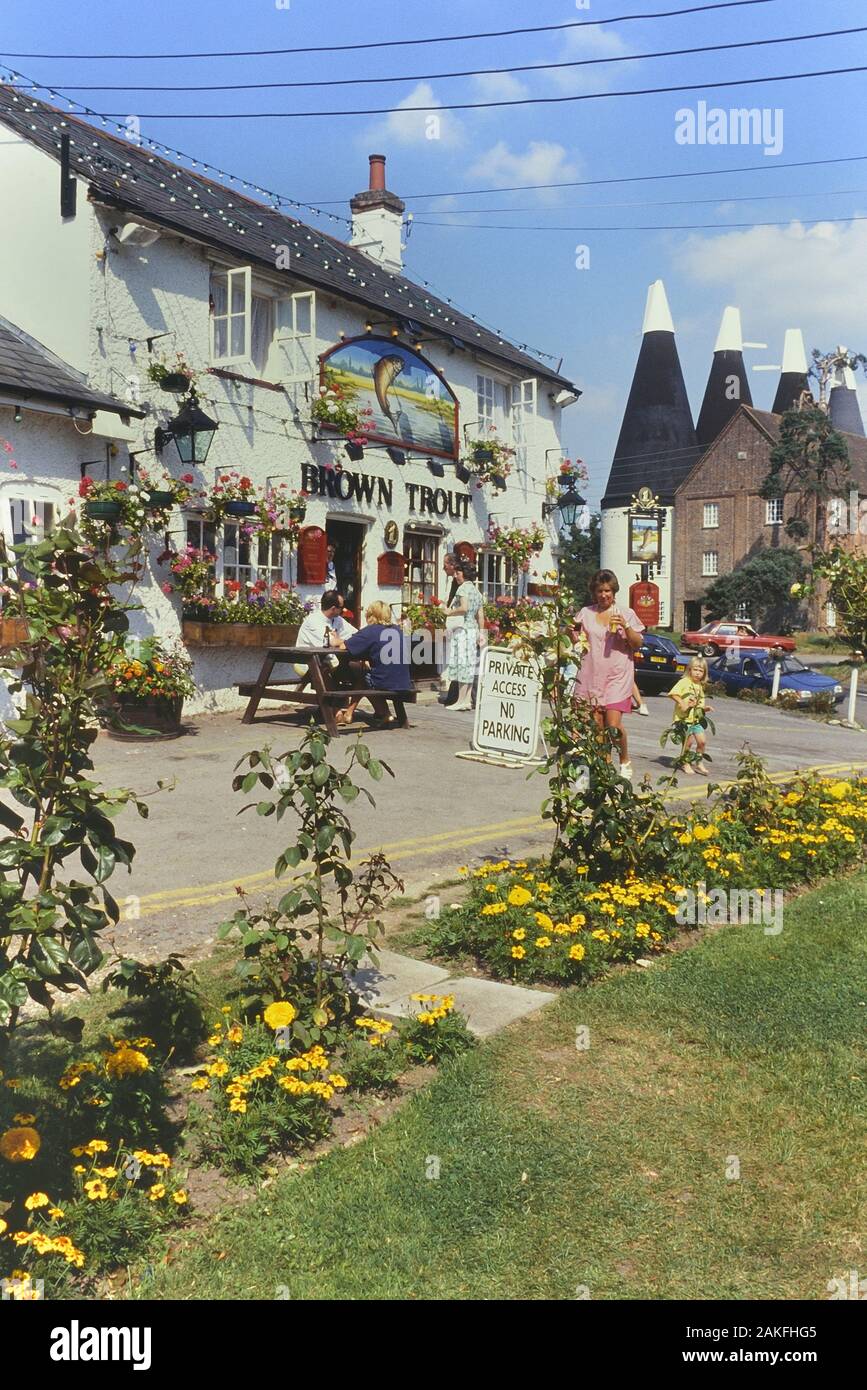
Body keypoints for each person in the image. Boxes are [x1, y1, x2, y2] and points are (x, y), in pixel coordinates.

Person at [573, 568, 645, 781]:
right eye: (599, 591)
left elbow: (637, 644)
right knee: (596, 726)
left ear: (614, 591)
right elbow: (576, 638)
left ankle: (624, 758)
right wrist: (570, 632)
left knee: (612, 726)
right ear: (593, 592)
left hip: (617, 675)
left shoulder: (626, 613)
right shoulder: (586, 613)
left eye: (607, 591)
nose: (604, 595)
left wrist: (626, 626)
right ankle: (603, 767)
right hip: (592, 674)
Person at [333, 599, 413, 727]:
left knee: (363, 675)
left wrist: (336, 639)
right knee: (365, 674)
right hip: (403, 682)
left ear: (371, 615)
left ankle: (384, 713)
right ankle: (349, 712)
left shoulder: (371, 631)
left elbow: (343, 647)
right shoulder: (397, 630)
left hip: (384, 682)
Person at [444, 558, 484, 711]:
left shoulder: (463, 589)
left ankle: (461, 701)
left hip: (462, 631)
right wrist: (481, 634)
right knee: (468, 666)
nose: (455, 576)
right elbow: (480, 616)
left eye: (458, 573)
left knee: (462, 665)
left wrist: (449, 611)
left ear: (465, 574)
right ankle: (466, 700)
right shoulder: (476, 591)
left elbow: (464, 608)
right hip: (473, 630)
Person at [667, 655, 713, 775]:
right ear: (689, 670)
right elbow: (673, 694)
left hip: (695, 719)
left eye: (701, 671)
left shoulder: (700, 686)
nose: (698, 673)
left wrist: (705, 709)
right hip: (684, 719)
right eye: (695, 670)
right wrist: (682, 702)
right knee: (688, 742)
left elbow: (700, 703)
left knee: (702, 741)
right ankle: (685, 762)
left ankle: (698, 761)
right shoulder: (684, 682)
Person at [437, 551, 460, 706]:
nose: (443, 568)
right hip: (454, 625)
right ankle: (454, 696)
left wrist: (447, 611)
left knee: (458, 661)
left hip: (459, 626)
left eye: (445, 564)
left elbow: (461, 606)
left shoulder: (460, 583)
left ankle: (456, 697)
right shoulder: (453, 581)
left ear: (452, 565)